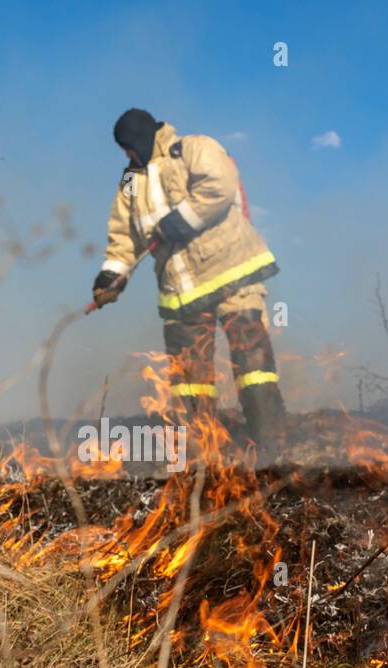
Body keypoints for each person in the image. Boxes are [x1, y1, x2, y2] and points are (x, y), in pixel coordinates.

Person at [92, 108, 286, 463]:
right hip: (181, 293)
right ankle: (206, 458)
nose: (127, 156)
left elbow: (220, 186)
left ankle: (270, 451)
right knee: (190, 377)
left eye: (128, 148)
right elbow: (123, 236)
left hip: (232, 275)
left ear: (141, 140)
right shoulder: (130, 183)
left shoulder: (192, 149)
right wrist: (111, 275)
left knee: (252, 363)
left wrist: (180, 221)